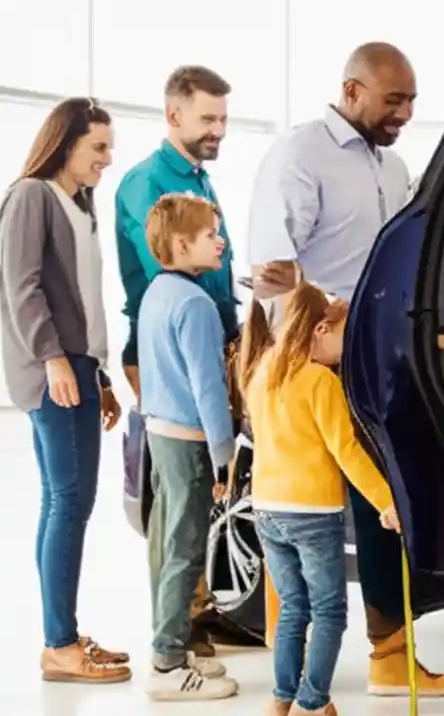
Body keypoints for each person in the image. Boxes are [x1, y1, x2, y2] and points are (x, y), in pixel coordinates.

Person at [247, 41, 444, 698]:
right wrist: (301, 366)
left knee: (385, 498)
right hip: (320, 356)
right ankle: (304, 675)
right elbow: (273, 269)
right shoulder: (301, 155)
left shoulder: (393, 165)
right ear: (352, 91)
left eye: (410, 102)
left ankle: (387, 655)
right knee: (316, 502)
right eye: (392, 100)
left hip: (382, 355)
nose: (403, 112)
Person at [0, 97, 130, 684]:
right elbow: (20, 286)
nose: (107, 158)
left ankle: (63, 636)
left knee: (69, 502)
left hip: (79, 367)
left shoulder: (81, 204)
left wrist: (97, 372)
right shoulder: (31, 194)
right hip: (54, 367)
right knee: (68, 501)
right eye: (97, 147)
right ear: (66, 143)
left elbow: (83, 298)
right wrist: (53, 357)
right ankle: (58, 645)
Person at [115, 64, 237, 656]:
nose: (219, 129)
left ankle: (197, 609)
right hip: (169, 353)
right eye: (208, 118)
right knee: (175, 507)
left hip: (208, 339)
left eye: (223, 118)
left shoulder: (200, 180)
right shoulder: (149, 185)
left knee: (188, 506)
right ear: (174, 116)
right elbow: (167, 268)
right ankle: (175, 631)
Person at [237, 283, 402, 716]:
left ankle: (282, 699)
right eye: (342, 339)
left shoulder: (262, 370)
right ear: (320, 328)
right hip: (312, 511)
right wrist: (387, 501)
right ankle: (313, 703)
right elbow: (347, 450)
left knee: (293, 609)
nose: (343, 352)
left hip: (267, 509)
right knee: (329, 612)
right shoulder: (319, 381)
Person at [136, 193, 239, 701]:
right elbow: (208, 388)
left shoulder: (158, 292)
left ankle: (170, 644)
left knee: (165, 544)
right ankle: (168, 663)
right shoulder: (196, 304)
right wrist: (226, 455)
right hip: (190, 441)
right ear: (181, 243)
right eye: (209, 235)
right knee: (185, 548)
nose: (219, 241)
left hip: (159, 433)